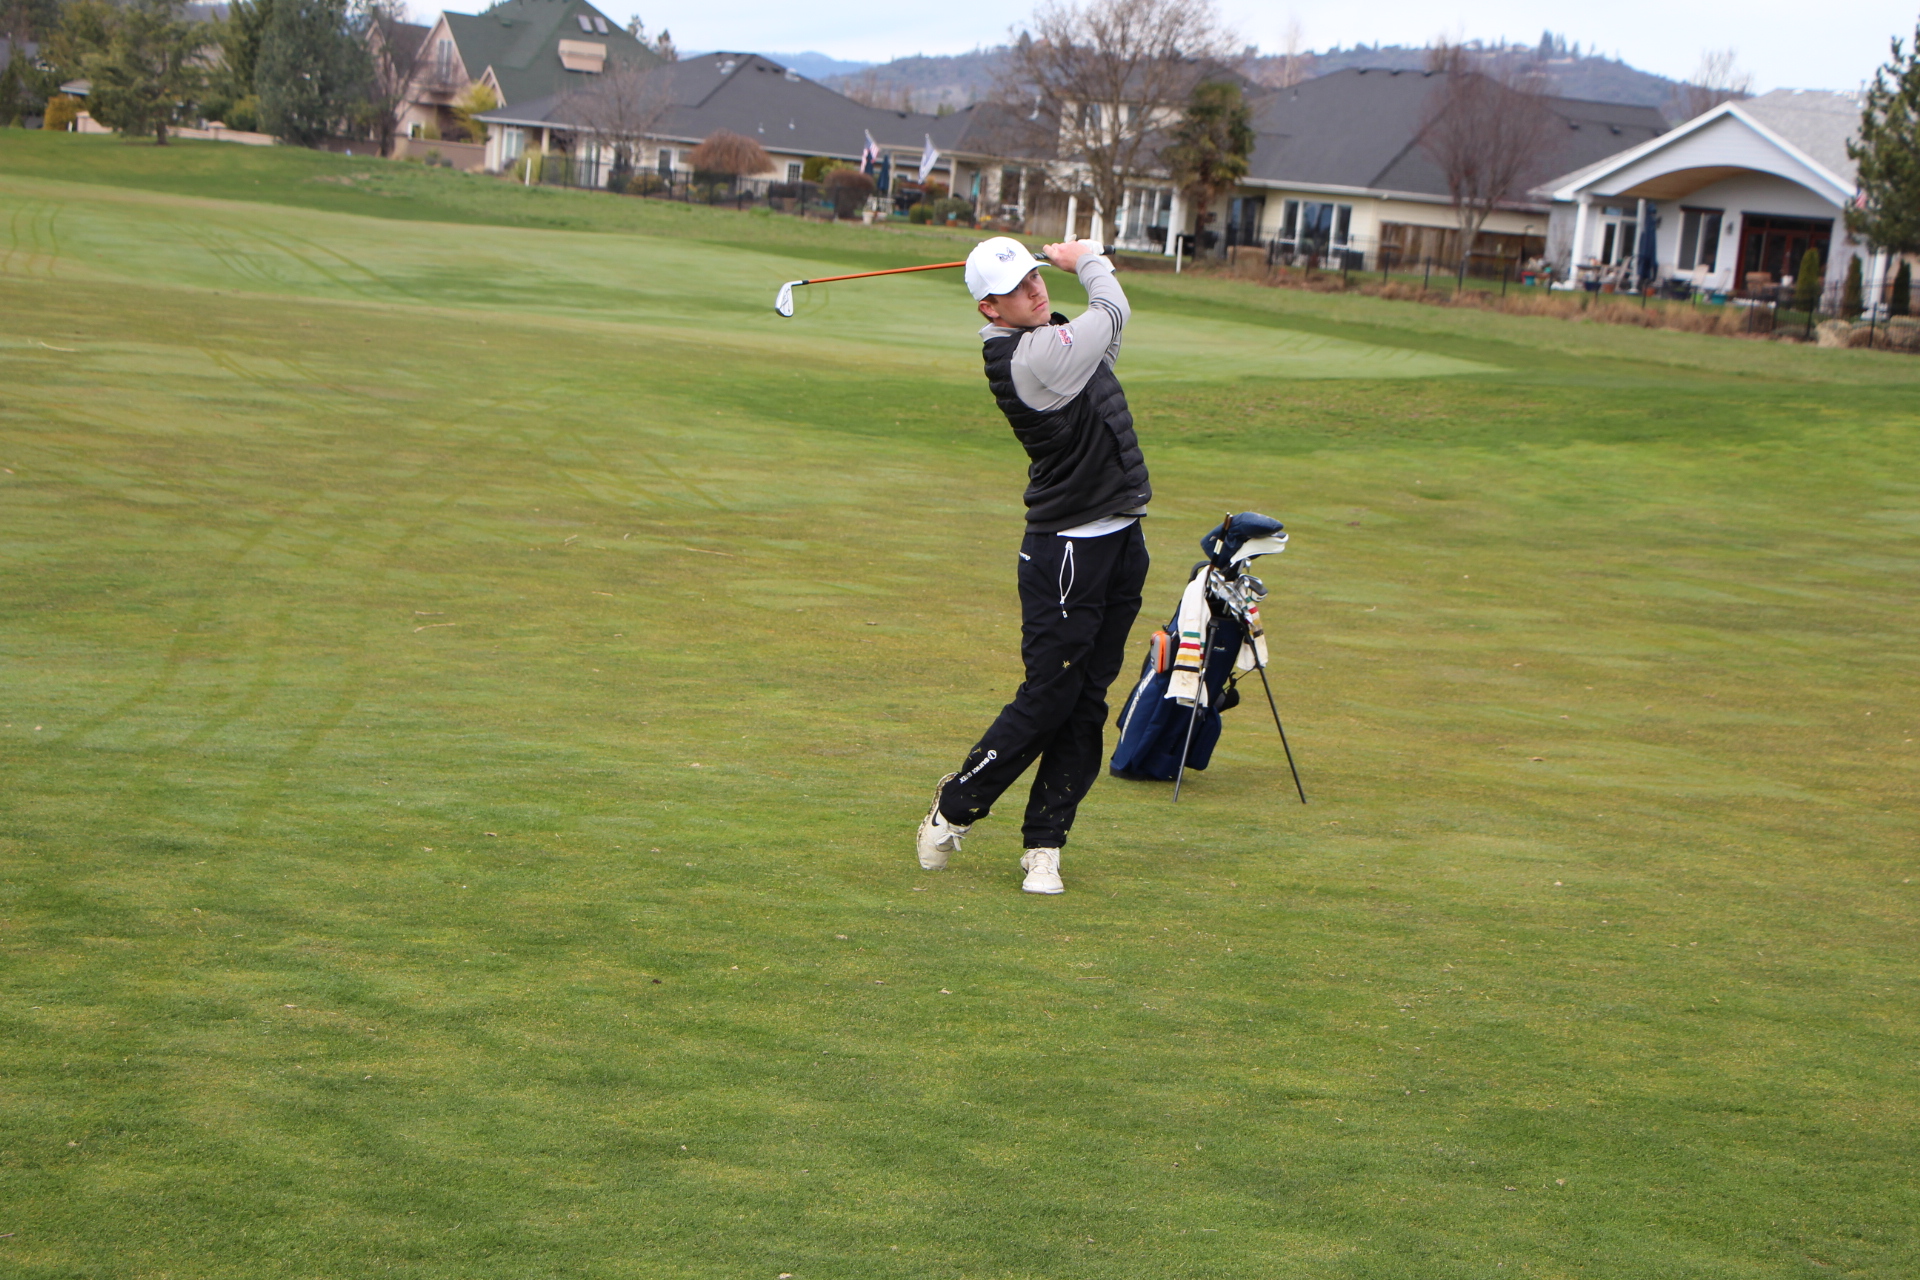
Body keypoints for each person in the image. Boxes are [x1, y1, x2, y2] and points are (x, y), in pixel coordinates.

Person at [915, 236, 1152, 894]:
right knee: (1051, 695)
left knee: (1087, 702)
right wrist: (1088, 258)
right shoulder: (1034, 356)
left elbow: (1104, 336)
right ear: (990, 309)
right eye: (1015, 288)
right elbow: (1113, 311)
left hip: (1120, 537)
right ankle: (956, 803)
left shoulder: (1050, 339)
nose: (1034, 289)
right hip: (1067, 548)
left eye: (1035, 276)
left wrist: (1073, 272)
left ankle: (1045, 844)